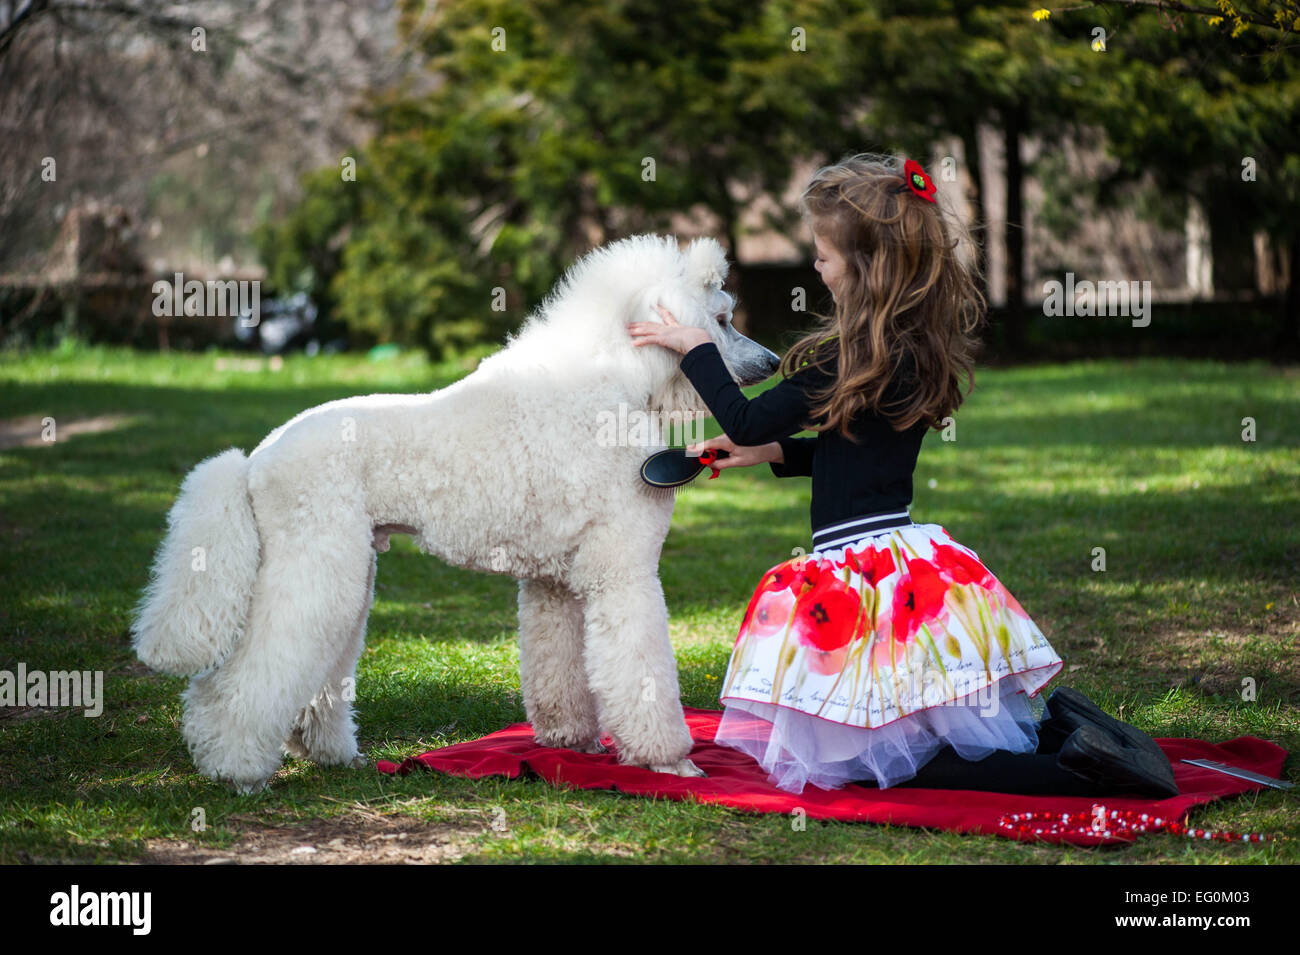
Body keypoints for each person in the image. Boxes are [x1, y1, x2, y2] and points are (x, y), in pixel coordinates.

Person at [626, 152, 1178, 798]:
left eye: (824, 255)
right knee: (926, 738)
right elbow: (853, 458)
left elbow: (744, 417)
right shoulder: (902, 350)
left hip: (865, 575)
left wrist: (697, 348)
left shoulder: (844, 357)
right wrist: (775, 454)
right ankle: (1068, 730)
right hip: (904, 556)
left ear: (863, 268)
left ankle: (1080, 768)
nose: (815, 265)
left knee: (902, 764)